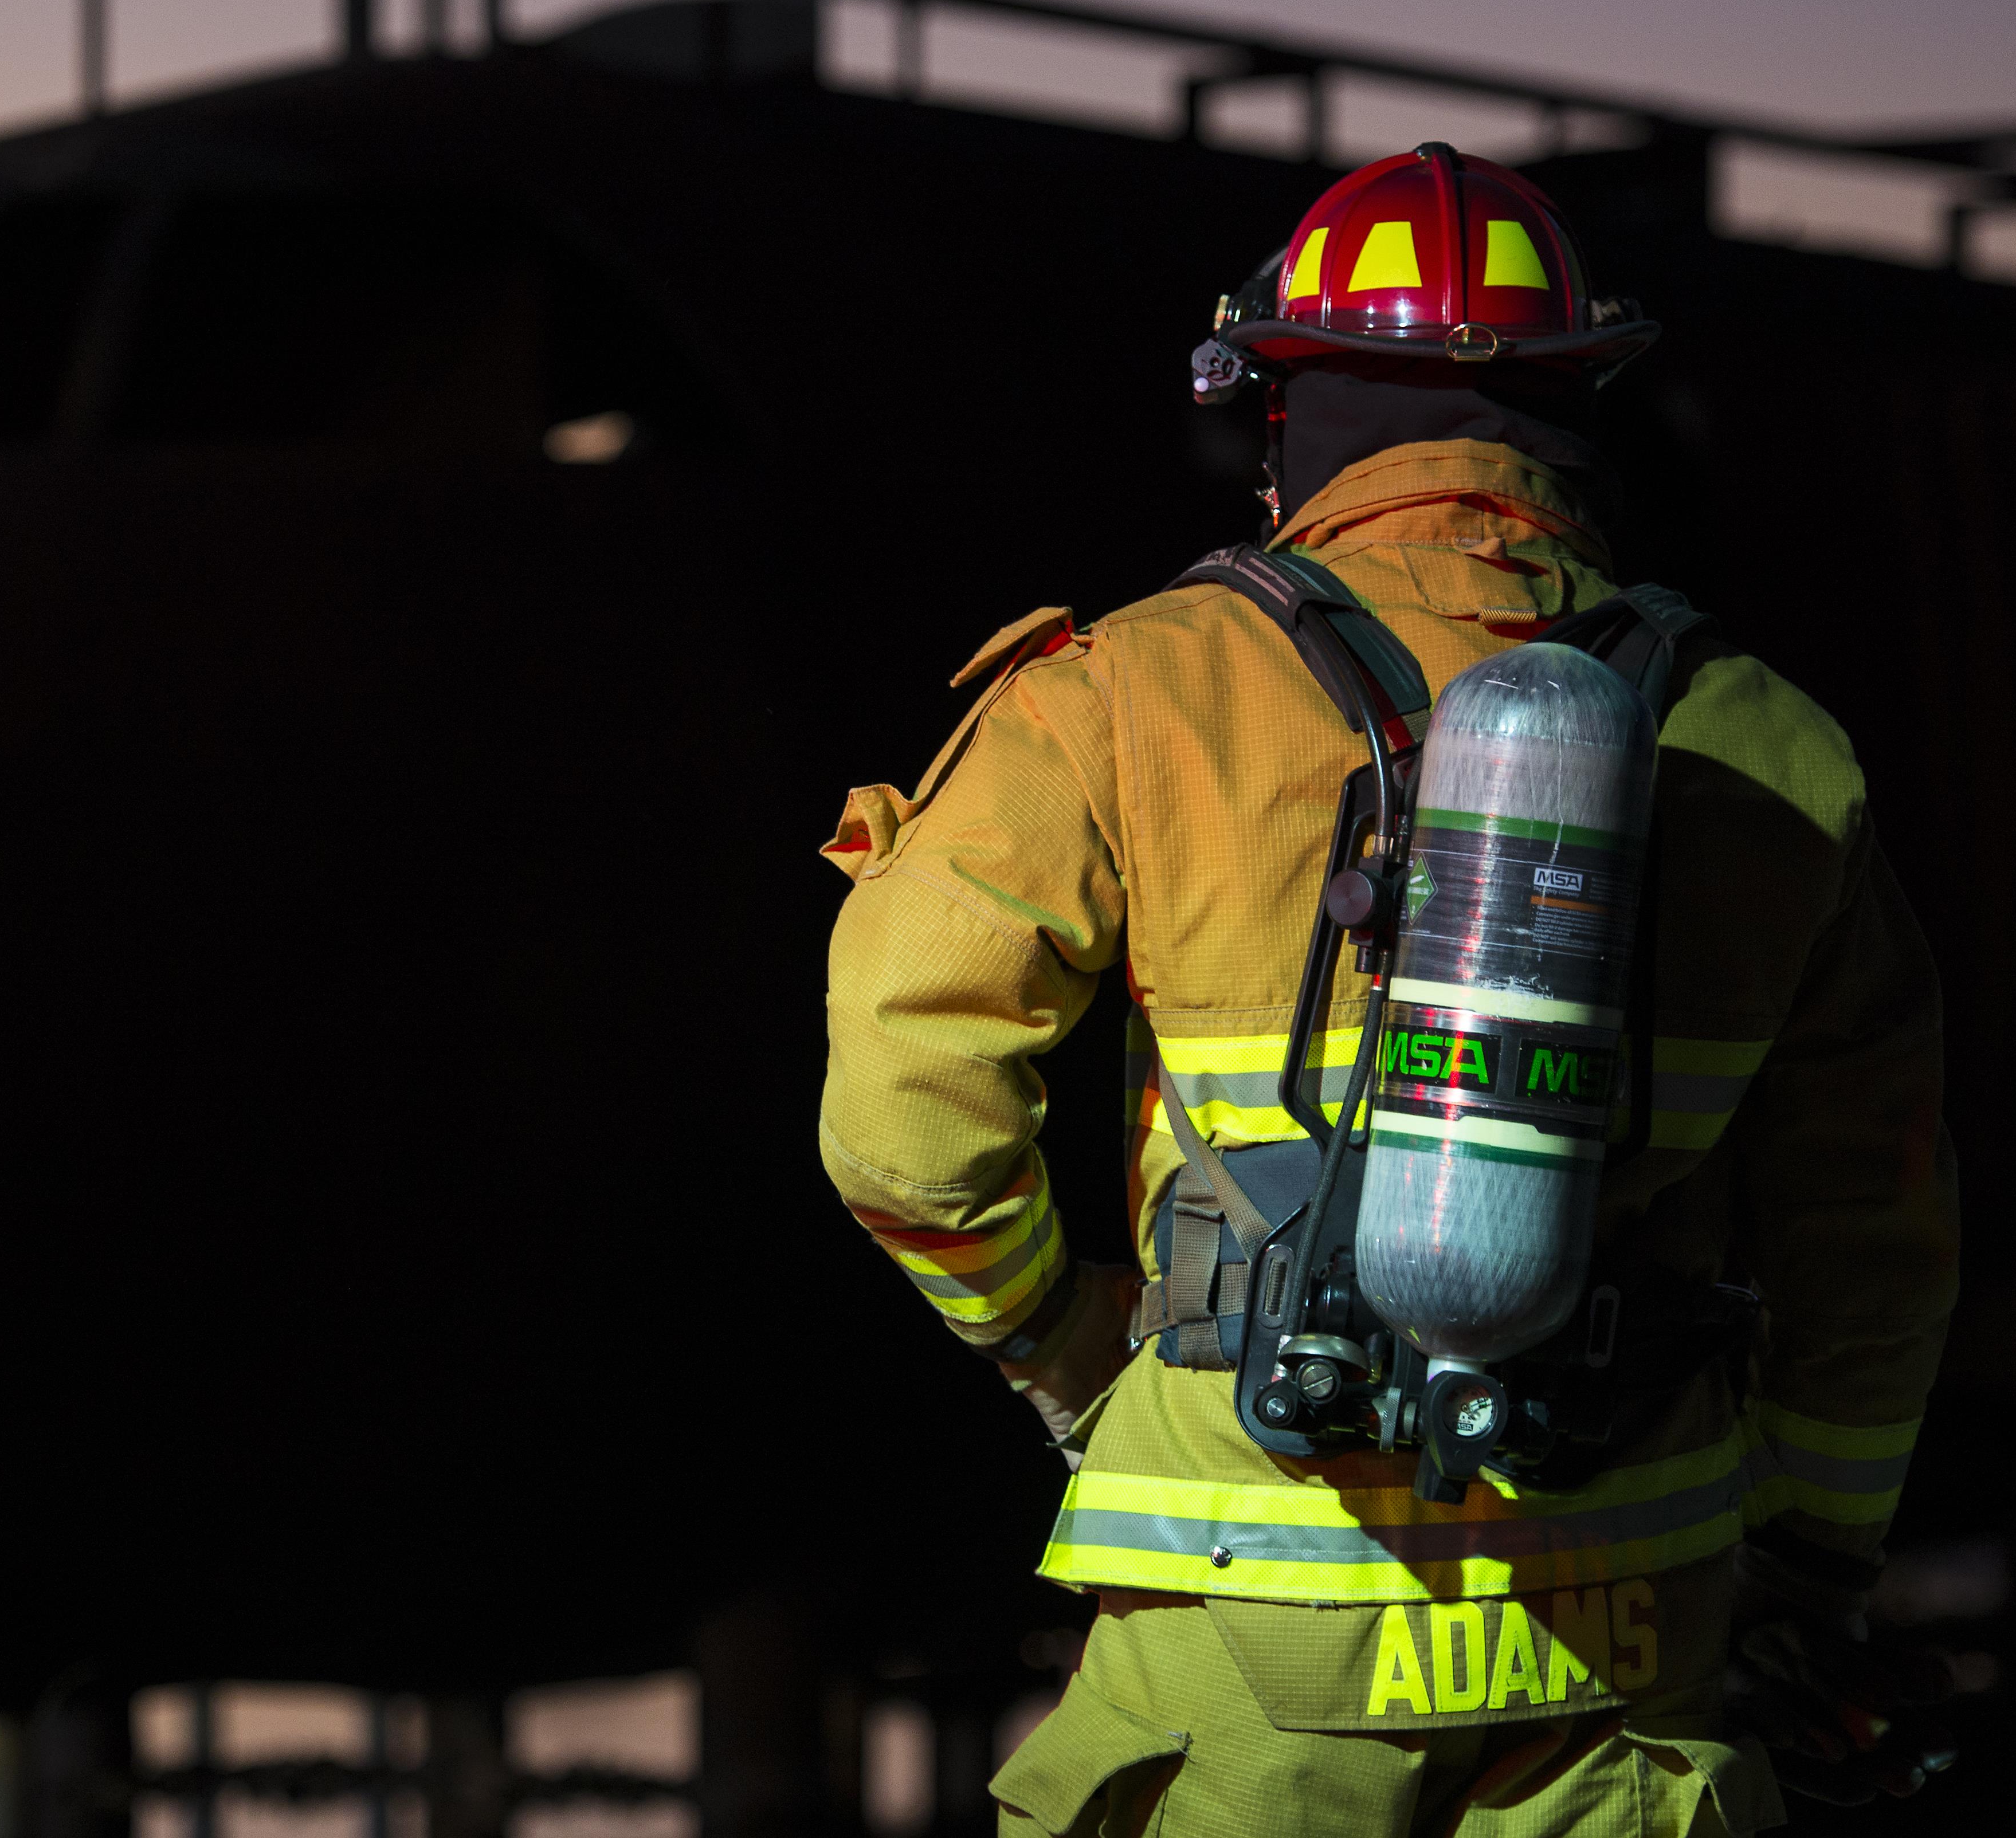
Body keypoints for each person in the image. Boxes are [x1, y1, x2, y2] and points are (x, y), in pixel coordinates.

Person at [817, 144, 1959, 1836]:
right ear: (1582, 409)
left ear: (1276, 408)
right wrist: (1803, 1556)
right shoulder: (1774, 746)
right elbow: (1873, 1229)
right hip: (1630, 1610)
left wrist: (1069, 1363)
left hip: (1245, 1590)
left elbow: (902, 1127)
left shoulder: (1123, 694)